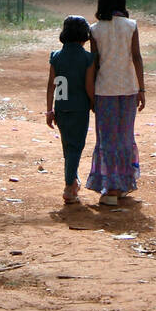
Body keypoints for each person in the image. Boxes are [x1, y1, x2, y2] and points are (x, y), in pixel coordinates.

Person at [86, 0, 145, 207]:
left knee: (107, 140)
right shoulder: (131, 26)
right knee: (124, 137)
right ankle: (121, 184)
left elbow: (95, 64)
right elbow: (137, 58)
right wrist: (142, 89)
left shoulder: (95, 30)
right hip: (128, 89)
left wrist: (91, 95)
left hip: (104, 91)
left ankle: (110, 188)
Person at [46, 15, 95, 205]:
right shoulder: (87, 58)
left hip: (61, 107)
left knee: (68, 147)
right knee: (76, 147)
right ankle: (69, 187)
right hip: (79, 109)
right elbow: (89, 86)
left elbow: (52, 85)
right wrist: (94, 103)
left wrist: (49, 110)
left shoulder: (56, 56)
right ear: (84, 36)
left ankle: (73, 182)